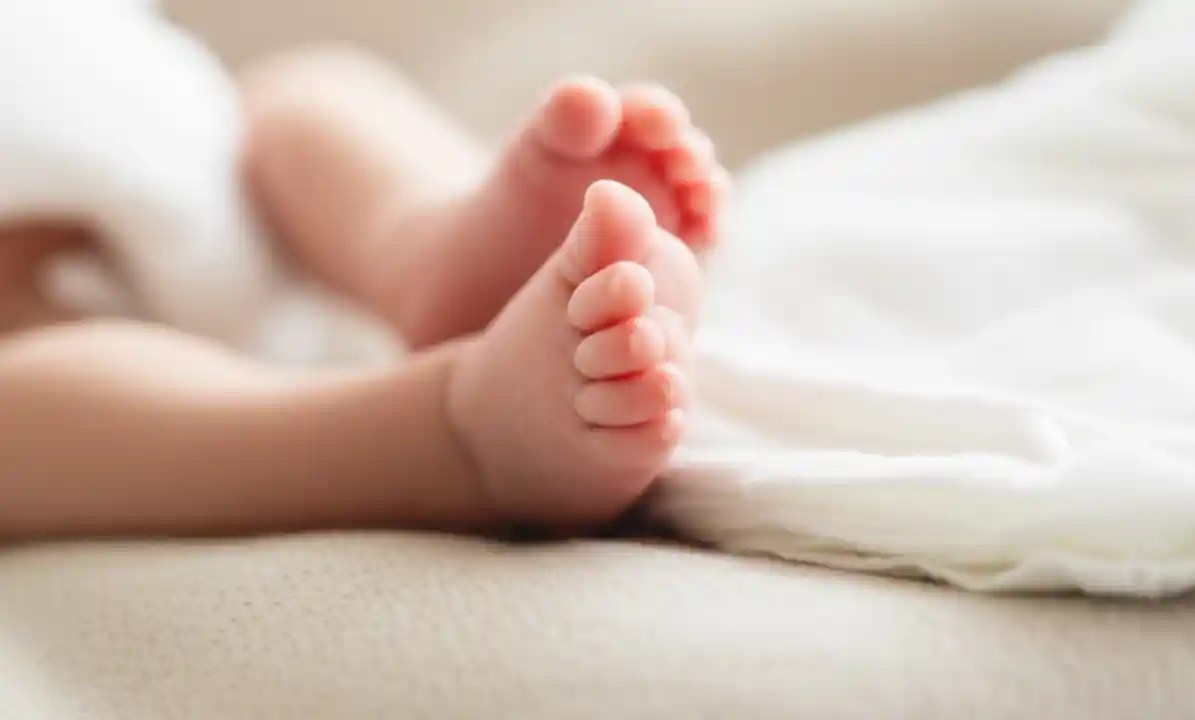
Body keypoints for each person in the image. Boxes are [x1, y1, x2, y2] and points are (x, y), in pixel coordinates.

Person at [0, 48, 728, 538]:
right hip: (49, 349)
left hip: (203, 167)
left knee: (309, 91)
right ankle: (447, 430)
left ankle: (437, 253)